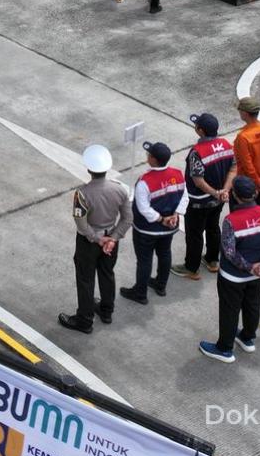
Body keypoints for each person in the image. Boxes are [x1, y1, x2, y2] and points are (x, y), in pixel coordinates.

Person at [198, 176, 260, 363]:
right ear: (255, 194)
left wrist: (250, 267)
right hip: (257, 274)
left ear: (235, 195)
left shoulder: (231, 220)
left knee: (229, 310)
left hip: (233, 277)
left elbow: (229, 251)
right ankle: (248, 337)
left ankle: (224, 348)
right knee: (252, 304)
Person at [57, 144, 131, 333]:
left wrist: (97, 239)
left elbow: (80, 222)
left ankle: (84, 319)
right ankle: (106, 310)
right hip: (110, 239)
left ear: (89, 169)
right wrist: (112, 238)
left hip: (89, 242)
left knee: (85, 279)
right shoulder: (120, 189)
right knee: (107, 273)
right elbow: (127, 218)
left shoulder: (82, 194)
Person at [121, 140, 184, 305]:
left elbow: (143, 208)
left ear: (154, 160)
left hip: (147, 230)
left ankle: (140, 293)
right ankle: (161, 285)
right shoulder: (177, 174)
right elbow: (185, 197)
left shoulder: (145, 181)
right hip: (170, 227)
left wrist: (162, 219)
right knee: (165, 253)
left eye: (149, 154)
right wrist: (175, 215)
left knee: (144, 260)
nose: (147, 156)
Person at [175, 113, 233, 279]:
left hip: (198, 202)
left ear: (200, 130)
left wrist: (216, 192)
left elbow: (198, 181)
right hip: (218, 200)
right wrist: (224, 191)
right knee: (213, 227)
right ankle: (212, 260)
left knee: (194, 234)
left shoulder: (197, 152)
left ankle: (191, 268)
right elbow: (233, 169)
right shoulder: (226, 145)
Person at [232, 101, 260, 205]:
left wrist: (257, 182)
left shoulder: (243, 137)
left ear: (245, 114)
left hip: (246, 185)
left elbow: (247, 164)